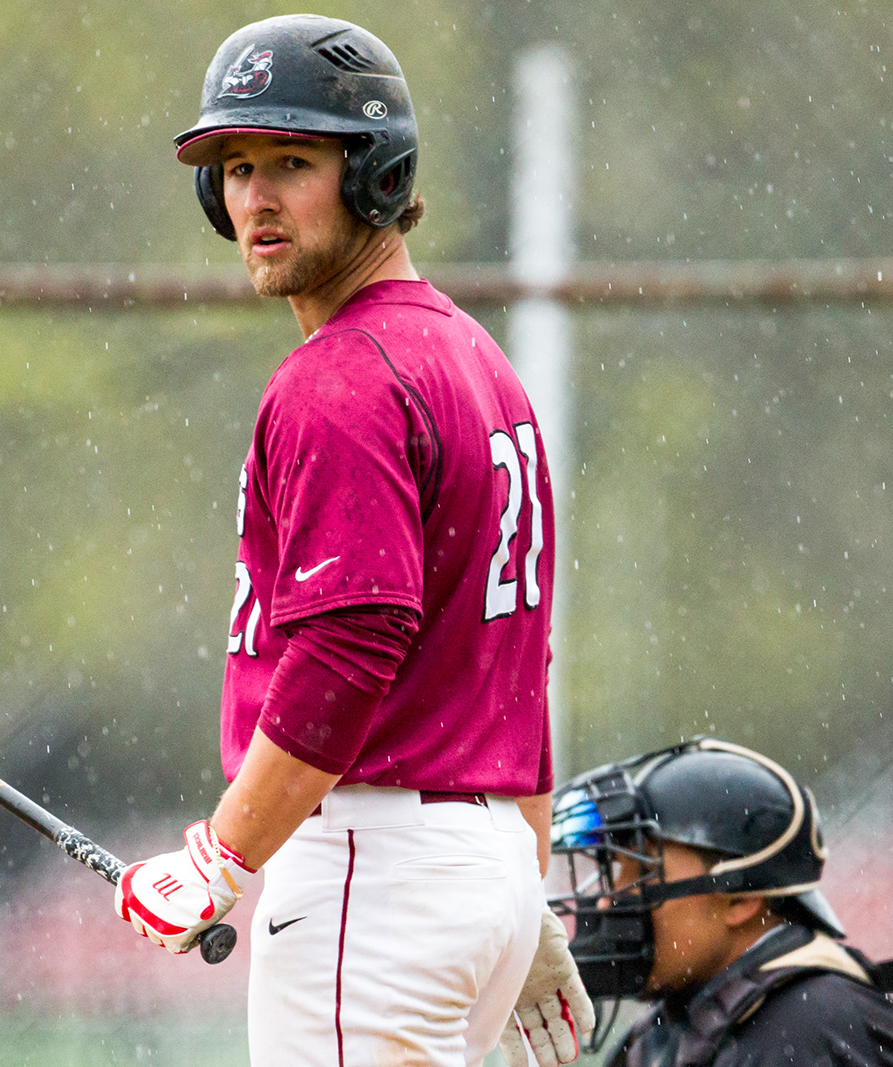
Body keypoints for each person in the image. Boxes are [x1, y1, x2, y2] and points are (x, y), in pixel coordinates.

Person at [110, 14, 593, 1067]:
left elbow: (350, 645)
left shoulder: (340, 377)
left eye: (293, 160)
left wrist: (222, 856)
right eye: (234, 168)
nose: (254, 199)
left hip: (374, 866)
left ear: (377, 176)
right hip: (471, 869)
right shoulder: (476, 360)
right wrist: (521, 873)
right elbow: (516, 668)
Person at [548, 737, 893, 1067]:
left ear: (740, 898)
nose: (606, 904)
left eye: (642, 873)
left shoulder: (806, 1026)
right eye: (616, 872)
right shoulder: (666, 1031)